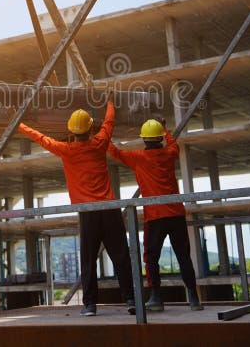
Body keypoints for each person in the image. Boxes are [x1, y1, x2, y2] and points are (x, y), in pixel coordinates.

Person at [17, 98, 135, 317]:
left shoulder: (66, 150)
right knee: (121, 257)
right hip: (110, 209)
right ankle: (132, 300)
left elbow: (42, 139)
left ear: (71, 131)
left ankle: (90, 305)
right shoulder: (100, 142)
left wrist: (19, 123)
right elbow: (109, 123)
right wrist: (110, 102)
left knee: (88, 261)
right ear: (90, 128)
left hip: (89, 213)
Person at [107, 118, 203, 312]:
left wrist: (104, 135)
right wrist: (165, 128)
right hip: (176, 213)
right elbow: (174, 143)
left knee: (151, 258)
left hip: (155, 216)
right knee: (184, 256)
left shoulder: (137, 158)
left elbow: (114, 152)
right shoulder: (170, 153)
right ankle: (194, 299)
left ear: (144, 140)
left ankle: (156, 298)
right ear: (160, 137)